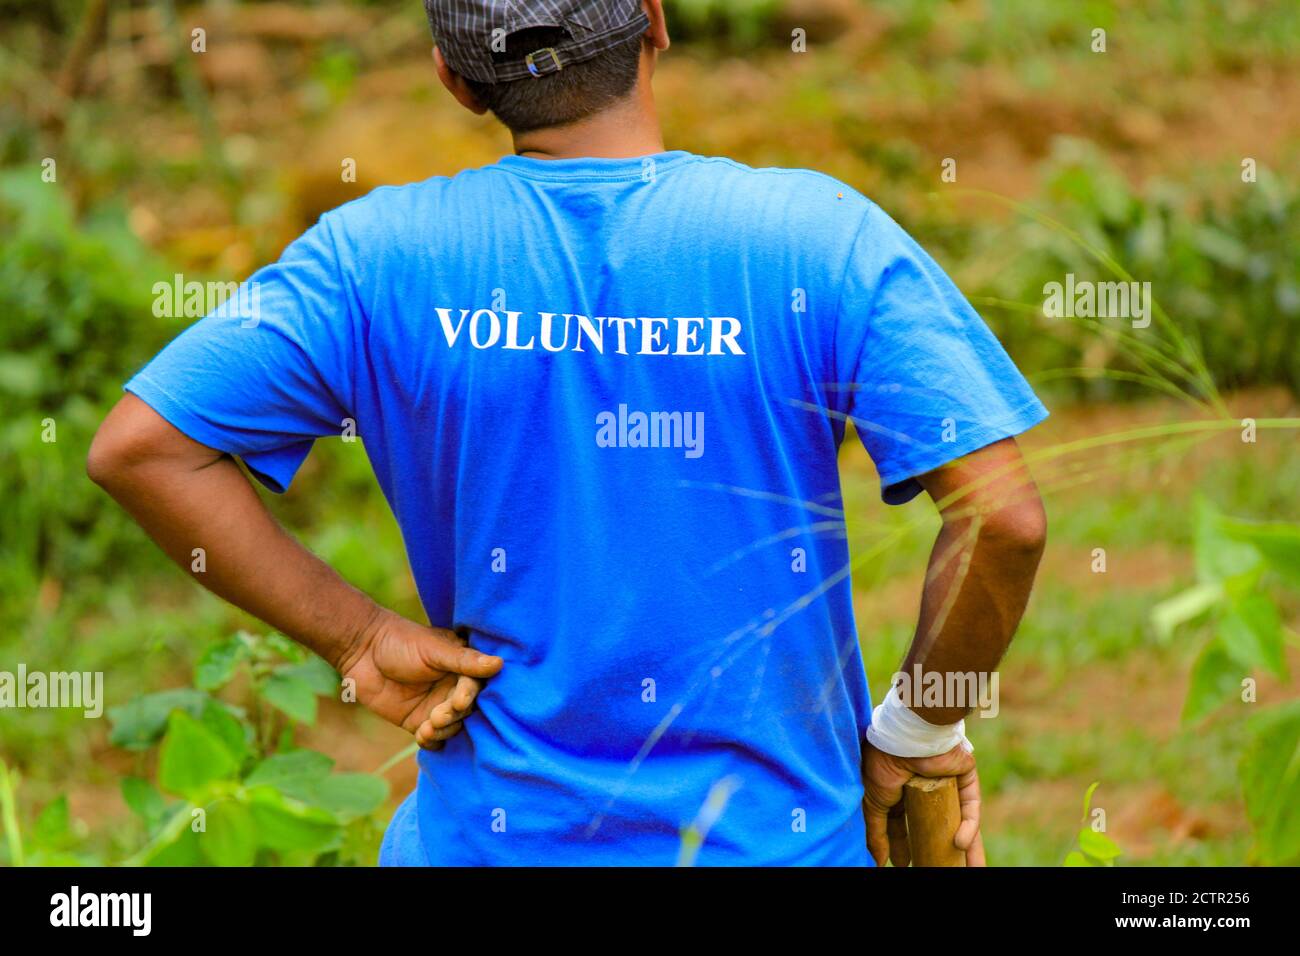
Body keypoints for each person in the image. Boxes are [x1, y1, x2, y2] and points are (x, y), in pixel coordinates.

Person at [88, 0, 1047, 866]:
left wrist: (358, 641)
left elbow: (142, 449)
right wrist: (919, 731)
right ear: (655, 22)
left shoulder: (373, 256)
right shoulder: (820, 236)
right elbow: (1003, 520)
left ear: (455, 81)